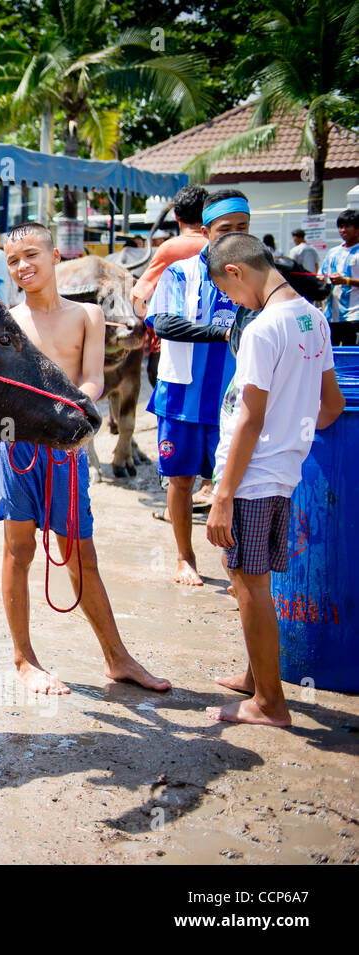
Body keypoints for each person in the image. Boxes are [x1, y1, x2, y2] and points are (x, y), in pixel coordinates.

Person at [0, 222, 170, 695]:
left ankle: (118, 658)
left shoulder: (89, 315)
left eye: (31, 254)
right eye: (13, 260)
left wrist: (71, 406)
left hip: (66, 444)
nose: (23, 266)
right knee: (20, 551)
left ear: (57, 259)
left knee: (80, 555)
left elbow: (93, 379)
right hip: (19, 447)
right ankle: (24, 659)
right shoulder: (7, 322)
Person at [205, 233, 345, 727]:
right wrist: (293, 433)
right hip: (281, 472)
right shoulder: (314, 317)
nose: (231, 302)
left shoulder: (264, 329)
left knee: (250, 584)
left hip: (250, 479)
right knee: (247, 577)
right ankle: (254, 674)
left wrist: (222, 494)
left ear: (237, 272)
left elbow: (250, 417)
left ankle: (269, 702)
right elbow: (333, 405)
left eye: (227, 291)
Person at [144, 189, 249, 586]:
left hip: (235, 396)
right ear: (207, 231)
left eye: (243, 227)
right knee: (182, 480)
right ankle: (184, 557)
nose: (235, 235)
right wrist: (222, 333)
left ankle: (235, 559)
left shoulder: (255, 271)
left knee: (234, 481)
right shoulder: (179, 272)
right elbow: (164, 324)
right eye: (226, 228)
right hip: (181, 395)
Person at [132, 186, 210, 390]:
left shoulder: (171, 248)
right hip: (218, 333)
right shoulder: (219, 244)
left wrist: (152, 323)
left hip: (174, 336)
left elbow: (138, 295)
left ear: (176, 216)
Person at [321, 208, 359, 346]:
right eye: (340, 226)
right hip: (332, 317)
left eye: (347, 226)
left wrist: (345, 281)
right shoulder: (332, 253)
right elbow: (322, 275)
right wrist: (321, 279)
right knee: (332, 357)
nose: (343, 230)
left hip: (354, 317)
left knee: (352, 360)